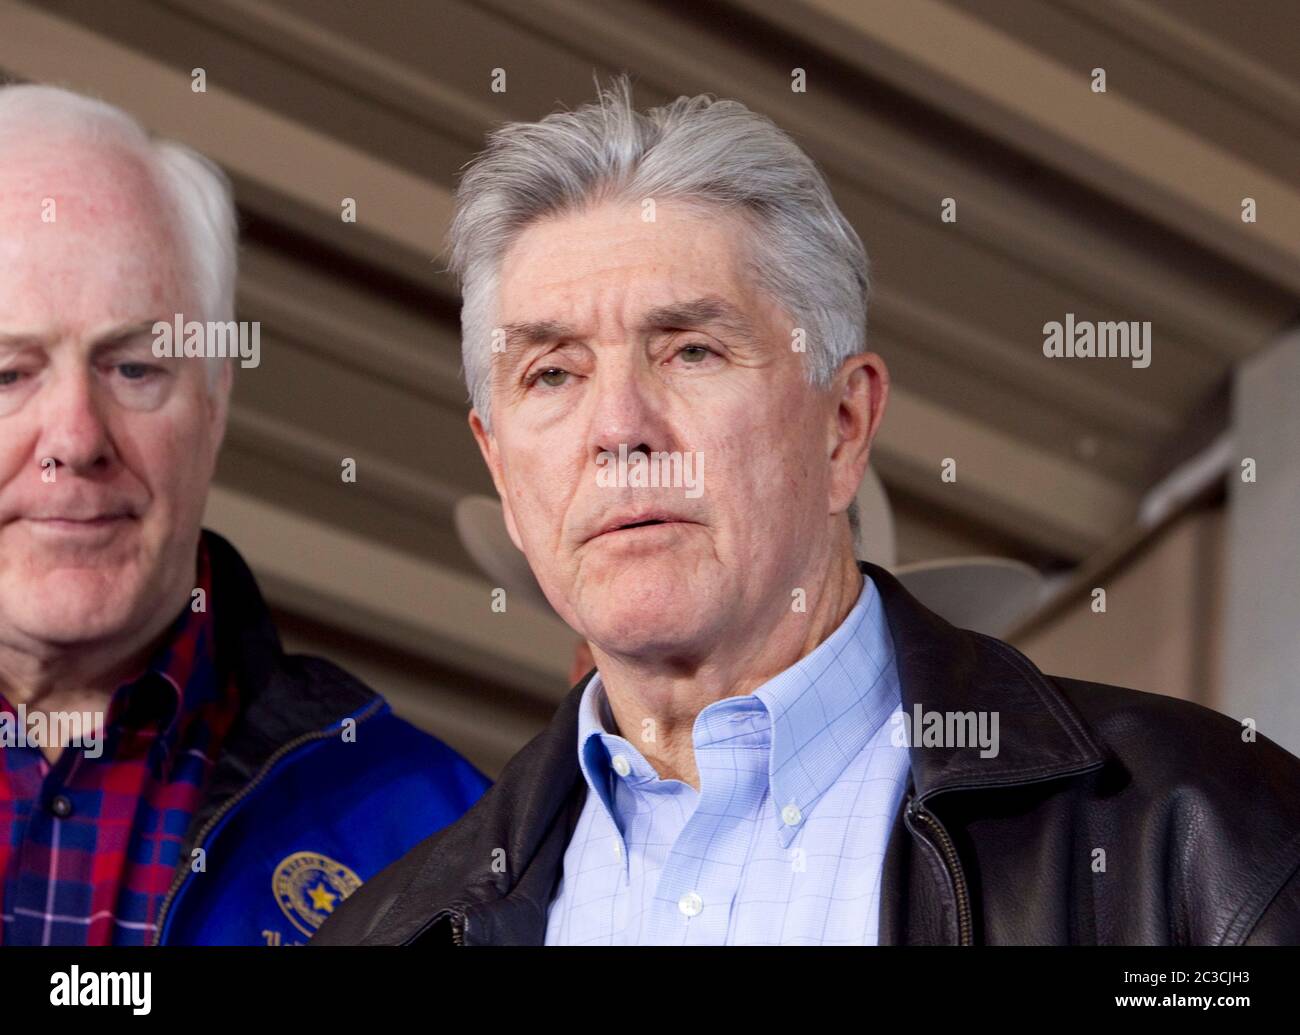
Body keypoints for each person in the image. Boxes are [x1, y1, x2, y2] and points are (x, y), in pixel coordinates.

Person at [314, 74, 1300, 946]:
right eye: (552, 372)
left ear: (841, 425)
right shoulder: (392, 930)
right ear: (498, 468)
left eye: (690, 351)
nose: (618, 427)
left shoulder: (1202, 841)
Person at [0, 84, 489, 946]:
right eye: (8, 374)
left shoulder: (439, 844)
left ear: (217, 401)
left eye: (135, 369)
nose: (75, 438)